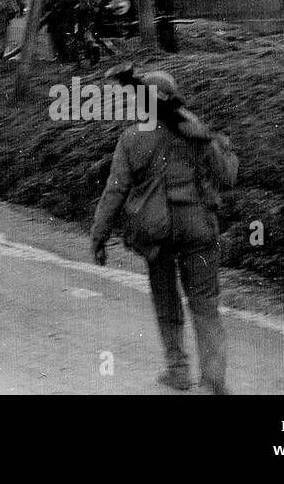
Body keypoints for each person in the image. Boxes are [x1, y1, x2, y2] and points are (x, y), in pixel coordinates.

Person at [90, 70, 238, 395]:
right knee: (204, 303)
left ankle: (178, 370)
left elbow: (115, 191)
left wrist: (99, 235)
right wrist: (214, 142)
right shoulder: (194, 129)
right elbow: (227, 177)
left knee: (165, 299)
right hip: (198, 227)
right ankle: (213, 381)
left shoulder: (132, 138)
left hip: (156, 229)